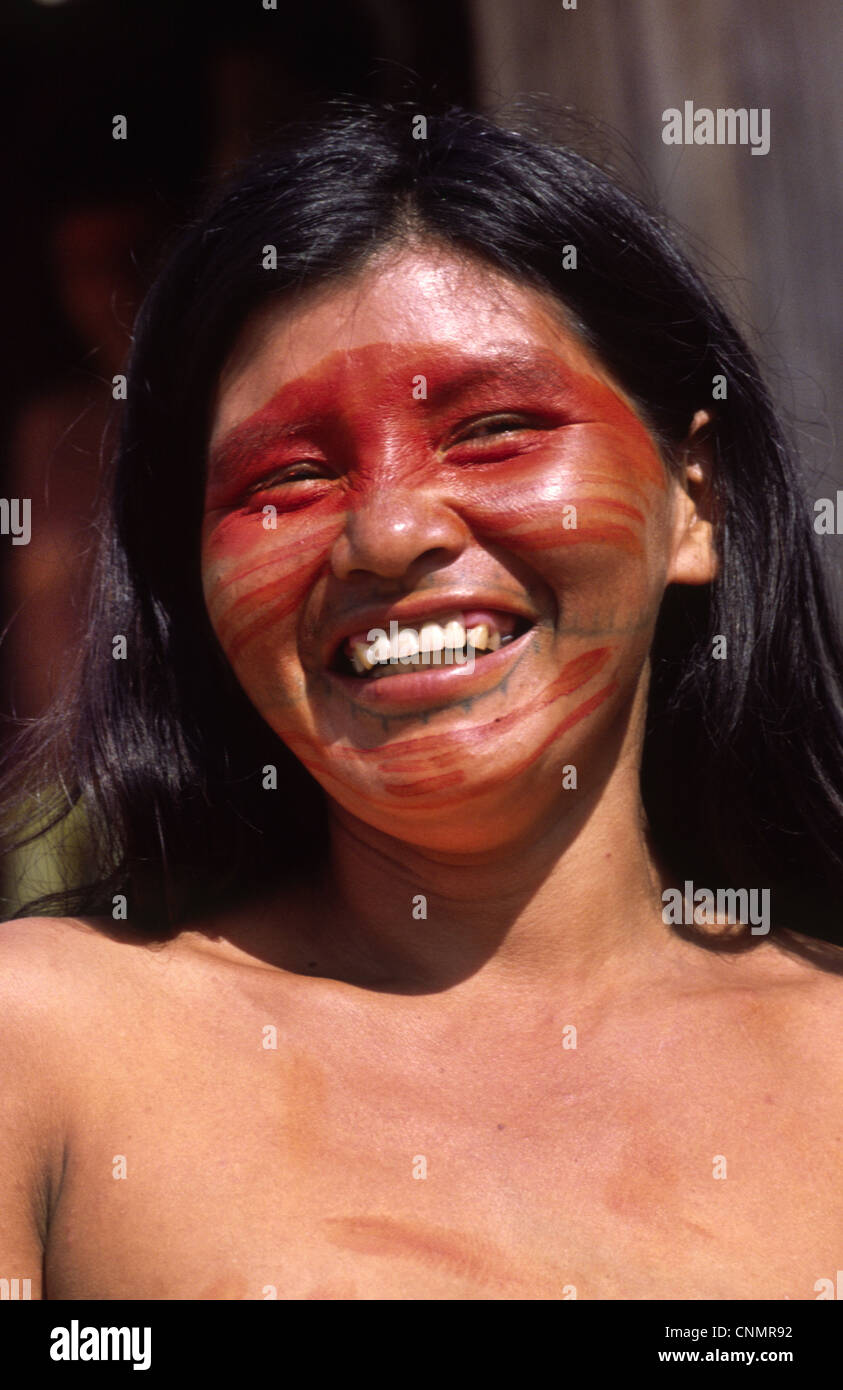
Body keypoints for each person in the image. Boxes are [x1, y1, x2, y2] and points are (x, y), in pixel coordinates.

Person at [1, 102, 842, 1301]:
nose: (389, 531)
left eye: (494, 430)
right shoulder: (43, 1048)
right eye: (289, 476)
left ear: (694, 503)